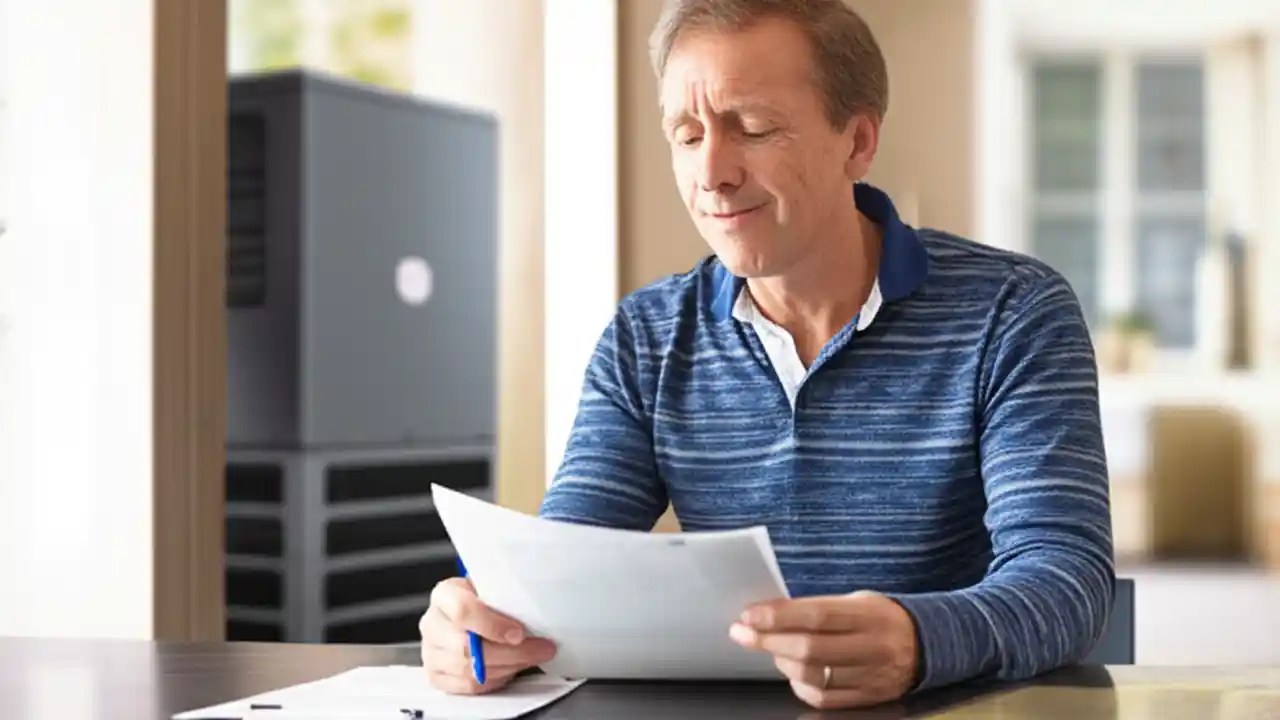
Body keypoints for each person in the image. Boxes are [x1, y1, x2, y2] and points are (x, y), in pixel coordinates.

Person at [419, 0, 1114, 710]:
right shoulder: (646, 337)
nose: (711, 172)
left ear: (859, 142)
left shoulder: (1015, 312)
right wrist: (485, 624)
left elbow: (1067, 582)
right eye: (686, 136)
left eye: (752, 128)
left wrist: (918, 639)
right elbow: (566, 570)